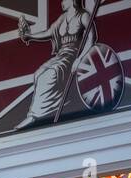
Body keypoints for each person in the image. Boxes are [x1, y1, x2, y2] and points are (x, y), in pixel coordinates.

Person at [16, 0, 95, 129]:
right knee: (38, 74)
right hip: (61, 56)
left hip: (73, 57)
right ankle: (51, 106)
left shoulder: (83, 16)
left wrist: (80, 59)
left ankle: (35, 116)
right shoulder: (62, 18)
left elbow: (91, 37)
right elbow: (48, 33)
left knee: (49, 75)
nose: (61, 2)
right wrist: (30, 36)